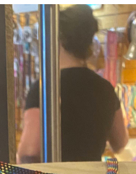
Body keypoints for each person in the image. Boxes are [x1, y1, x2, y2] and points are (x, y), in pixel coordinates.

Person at [18, 4, 128, 163]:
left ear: (59, 39)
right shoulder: (105, 89)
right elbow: (120, 143)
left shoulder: (44, 88)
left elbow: (30, 151)